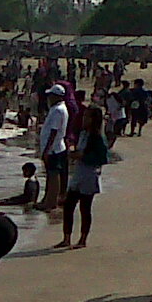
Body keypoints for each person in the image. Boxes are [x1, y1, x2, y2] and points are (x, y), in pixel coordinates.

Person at [60, 106, 109, 248]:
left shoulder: (98, 137)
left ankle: (82, 239)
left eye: (87, 117)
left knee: (85, 208)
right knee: (68, 206)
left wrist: (83, 156)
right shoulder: (83, 133)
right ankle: (66, 238)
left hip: (89, 174)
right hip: (79, 173)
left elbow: (103, 158)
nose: (84, 119)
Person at [38, 85, 70, 210]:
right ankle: (49, 199)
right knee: (51, 175)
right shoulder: (58, 108)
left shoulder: (58, 110)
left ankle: (51, 202)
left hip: (54, 148)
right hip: (56, 146)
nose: (49, 98)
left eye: (51, 95)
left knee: (53, 176)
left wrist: (47, 150)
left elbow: (54, 131)